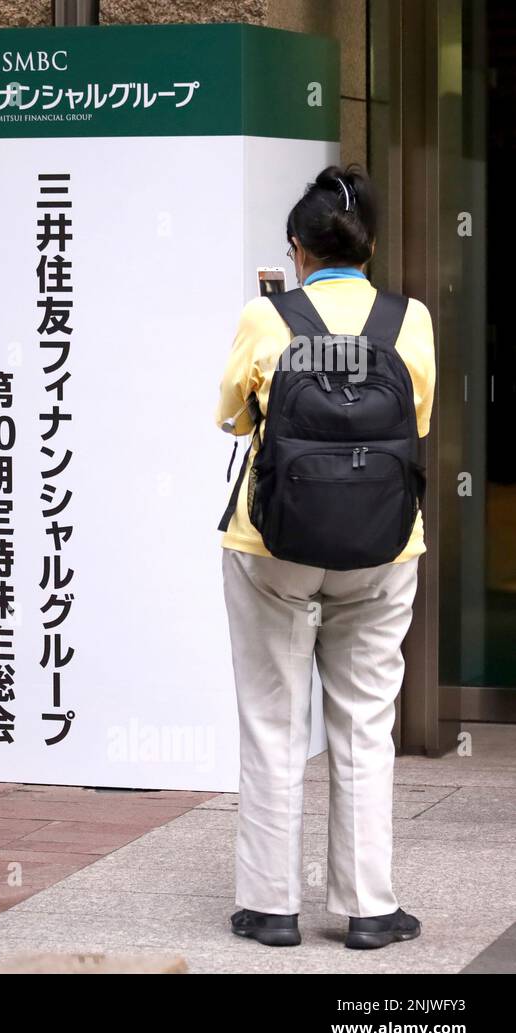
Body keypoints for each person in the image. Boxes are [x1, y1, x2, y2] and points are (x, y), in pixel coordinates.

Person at [216, 165, 436, 950]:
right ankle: (369, 908)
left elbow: (231, 419)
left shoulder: (265, 314)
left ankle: (272, 906)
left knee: (273, 720)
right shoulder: (410, 321)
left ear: (297, 249)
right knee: (365, 725)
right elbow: (418, 419)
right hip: (383, 545)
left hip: (271, 542)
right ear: (369, 246)